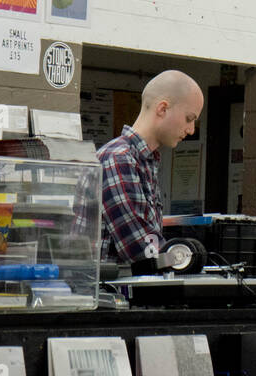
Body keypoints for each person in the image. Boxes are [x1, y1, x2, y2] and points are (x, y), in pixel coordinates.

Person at [85, 70, 204, 268]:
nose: (191, 130)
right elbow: (139, 246)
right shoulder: (118, 159)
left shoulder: (144, 161)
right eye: (189, 118)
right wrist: (182, 258)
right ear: (163, 109)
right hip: (106, 293)